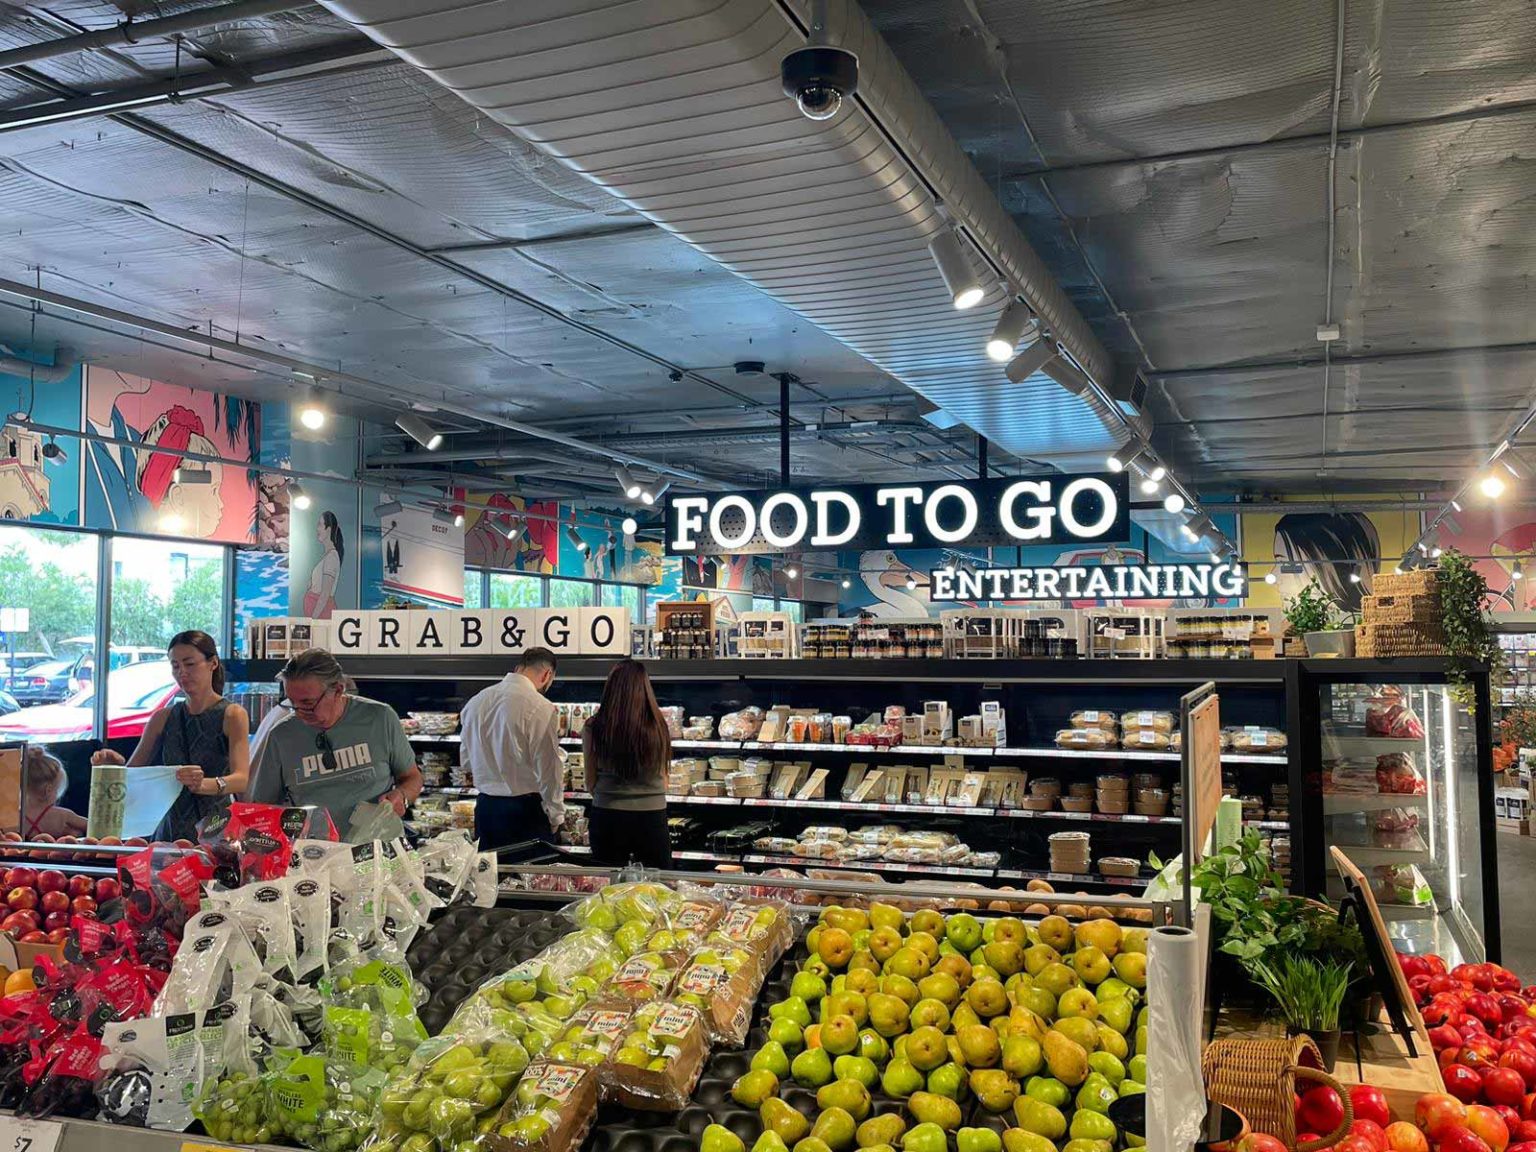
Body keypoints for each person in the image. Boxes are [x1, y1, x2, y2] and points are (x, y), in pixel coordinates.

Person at [90, 630, 251, 842]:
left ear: (212, 663)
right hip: (168, 831)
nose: (182, 672)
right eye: (175, 666)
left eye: (189, 664)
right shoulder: (162, 718)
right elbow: (132, 778)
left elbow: (241, 779)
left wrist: (205, 784)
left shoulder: (232, 714)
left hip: (216, 829)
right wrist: (113, 768)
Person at [246, 648, 422, 838]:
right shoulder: (281, 735)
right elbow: (263, 807)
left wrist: (402, 797)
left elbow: (412, 778)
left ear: (338, 690)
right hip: (313, 850)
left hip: (377, 847)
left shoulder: (381, 718)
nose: (299, 712)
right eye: (292, 703)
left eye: (308, 704)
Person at [460, 648, 564, 852]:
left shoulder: (476, 702)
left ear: (518, 668)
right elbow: (549, 770)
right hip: (525, 813)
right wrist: (556, 815)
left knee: (489, 871)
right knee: (528, 871)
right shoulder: (540, 706)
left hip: (486, 809)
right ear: (547, 675)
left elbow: (466, 761)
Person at [582, 659, 671, 869]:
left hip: (608, 814)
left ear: (611, 688)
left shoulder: (594, 726)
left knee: (608, 882)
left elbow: (590, 782)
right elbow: (665, 780)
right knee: (657, 882)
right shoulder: (659, 725)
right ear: (645, 687)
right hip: (652, 816)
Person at [20, 746, 87, 839]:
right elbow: (94, 826)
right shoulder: (63, 816)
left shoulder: (12, 817)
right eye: (58, 789)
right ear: (48, 790)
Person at [303, 510, 345, 618]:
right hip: (318, 615)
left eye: (320, 525)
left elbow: (325, 594)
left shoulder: (331, 557)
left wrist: (313, 620)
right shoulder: (327, 556)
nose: (317, 529)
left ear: (328, 529)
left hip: (322, 615)